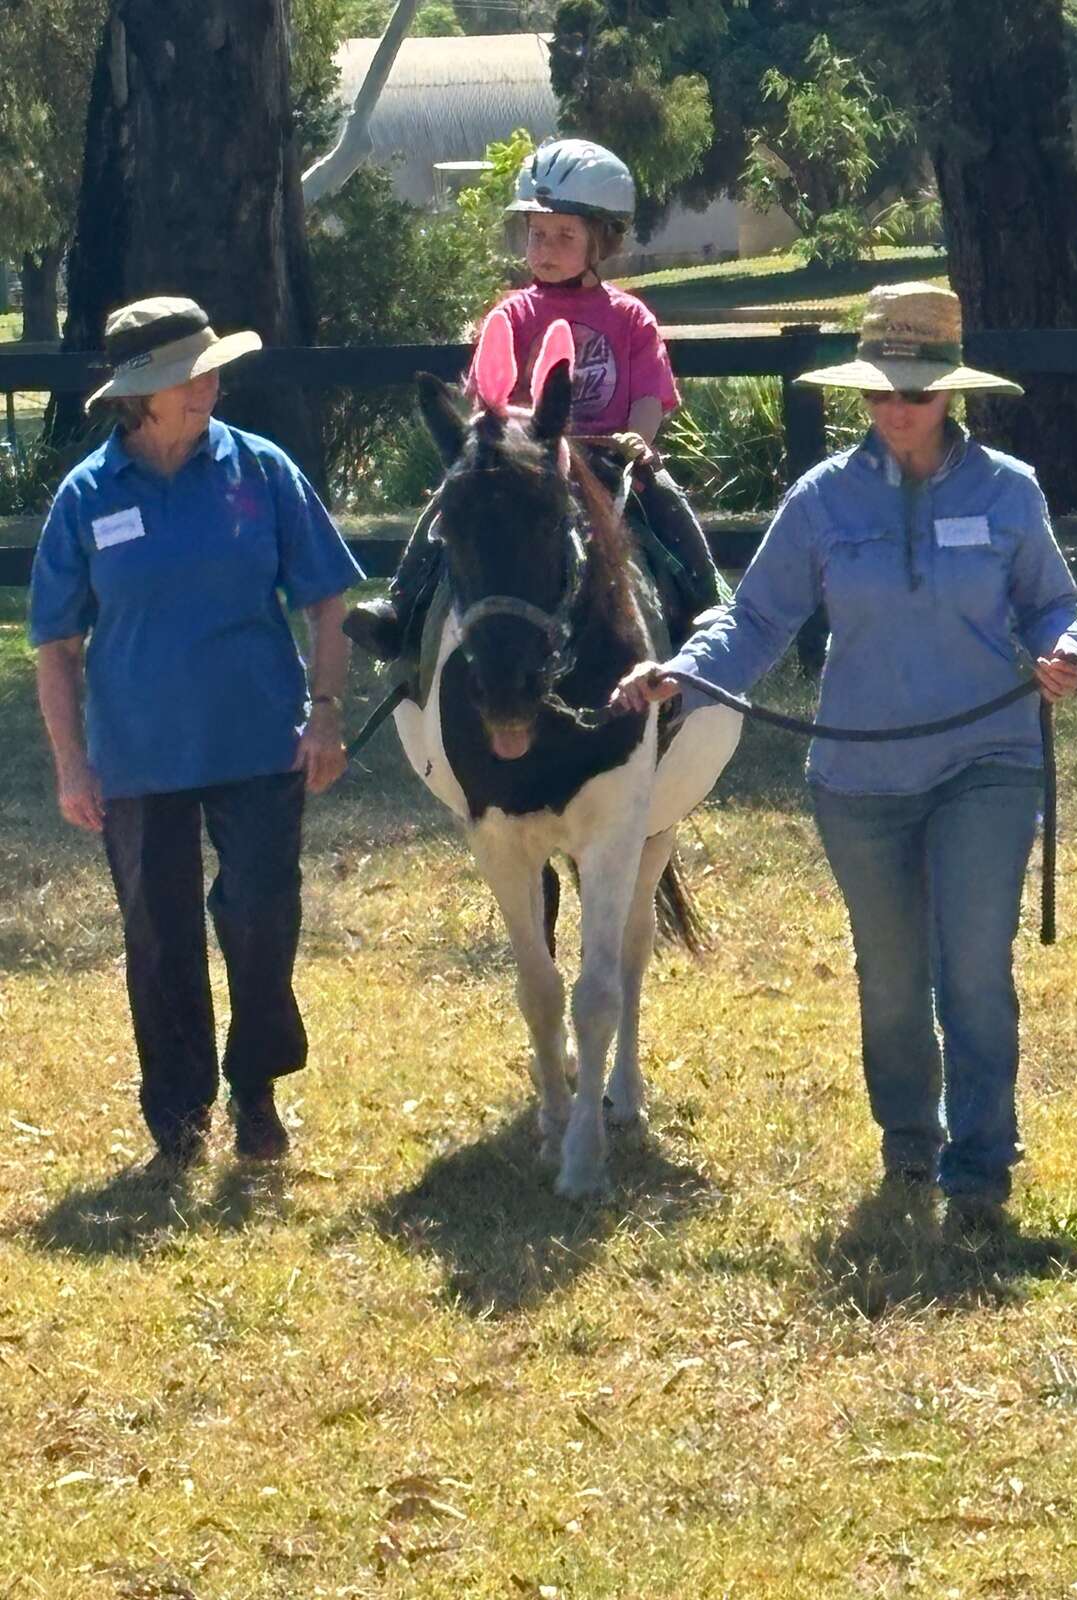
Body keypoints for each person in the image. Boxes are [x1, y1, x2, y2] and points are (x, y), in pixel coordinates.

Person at [613, 281, 1077, 1235]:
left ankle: (980, 1162)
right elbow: (757, 618)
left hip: (987, 763)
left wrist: (1068, 654)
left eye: (915, 392)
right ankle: (907, 1142)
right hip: (859, 780)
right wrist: (681, 671)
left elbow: (1054, 603)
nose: (896, 409)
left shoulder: (1009, 491)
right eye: (880, 390)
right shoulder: (822, 500)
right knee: (890, 979)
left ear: (952, 394)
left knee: (971, 965)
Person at [29, 296, 363, 1178]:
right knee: (159, 935)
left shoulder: (261, 470)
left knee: (260, 915)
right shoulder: (86, 497)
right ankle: (177, 1120)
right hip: (137, 757)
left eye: (211, 369)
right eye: (189, 376)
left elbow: (328, 599)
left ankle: (257, 1090)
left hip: (259, 739)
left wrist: (325, 711)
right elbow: (55, 647)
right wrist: (71, 763)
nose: (209, 386)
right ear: (140, 394)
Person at [344, 137, 725, 671]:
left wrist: (638, 438)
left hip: (606, 456)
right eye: (537, 235)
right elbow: (489, 395)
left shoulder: (631, 317)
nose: (545, 249)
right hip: (524, 463)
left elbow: (648, 393)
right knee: (448, 507)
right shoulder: (512, 313)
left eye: (564, 236)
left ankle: (708, 606)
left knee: (664, 500)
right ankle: (401, 606)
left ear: (603, 241)